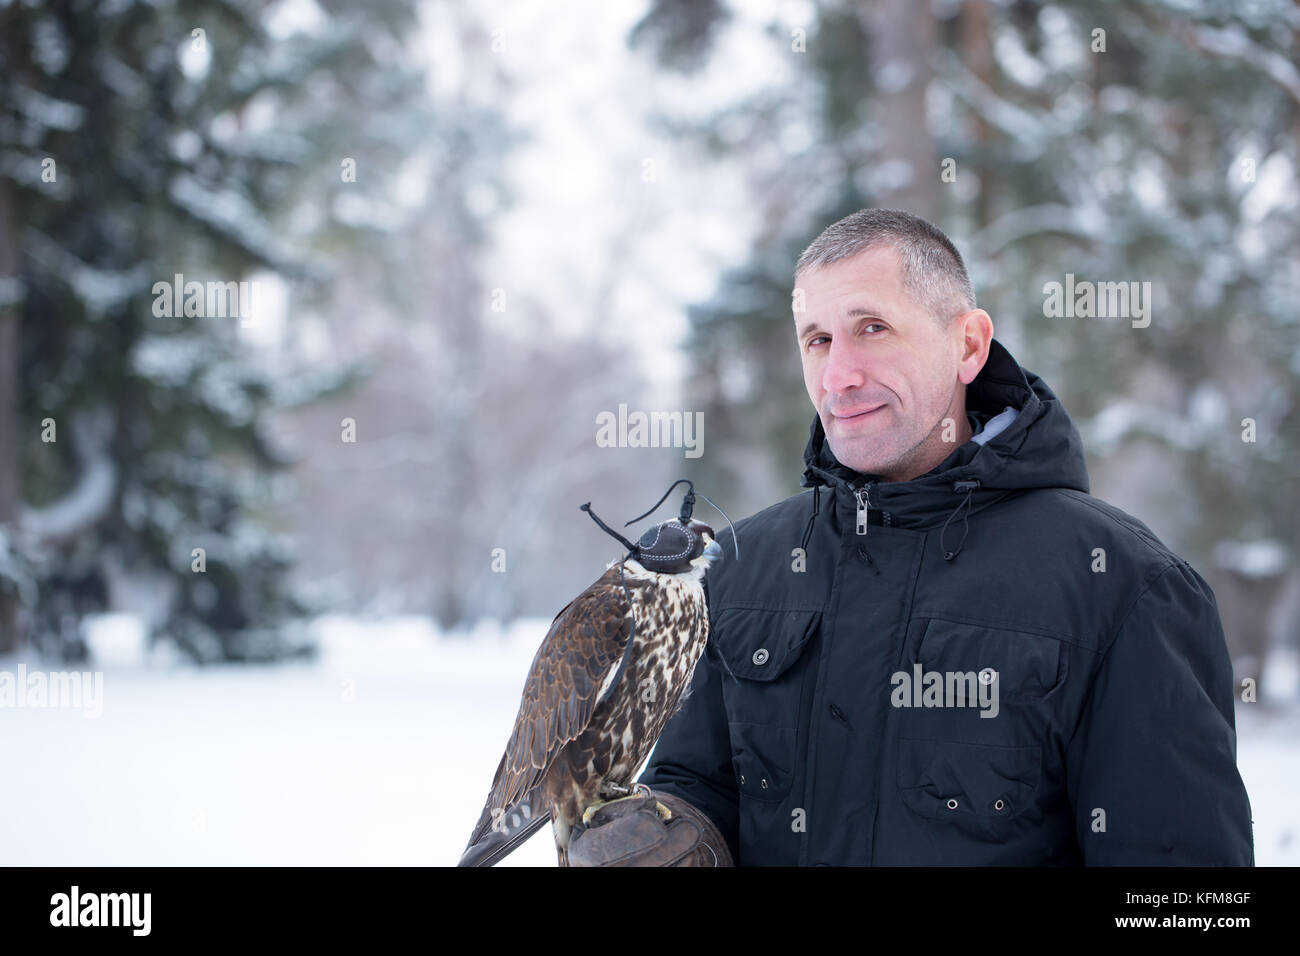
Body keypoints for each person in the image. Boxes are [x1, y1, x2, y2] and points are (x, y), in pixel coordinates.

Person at [568, 208, 1255, 867]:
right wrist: (672, 835)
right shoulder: (743, 569)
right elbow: (699, 783)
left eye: (872, 327)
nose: (839, 375)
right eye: (818, 339)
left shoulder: (1124, 588)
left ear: (968, 345)